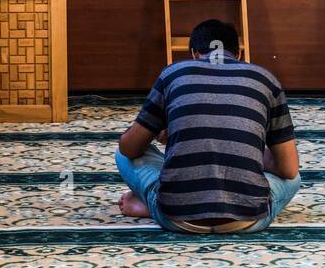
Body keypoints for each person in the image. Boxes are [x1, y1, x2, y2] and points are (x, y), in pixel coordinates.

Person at [115, 18, 301, 234]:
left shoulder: (173, 74)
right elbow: (289, 169)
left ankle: (153, 206)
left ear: (194, 53)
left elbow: (128, 149)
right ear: (238, 54)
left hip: (175, 218)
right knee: (294, 178)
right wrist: (245, 150)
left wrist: (168, 130)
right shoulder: (266, 80)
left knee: (123, 155)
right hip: (248, 220)